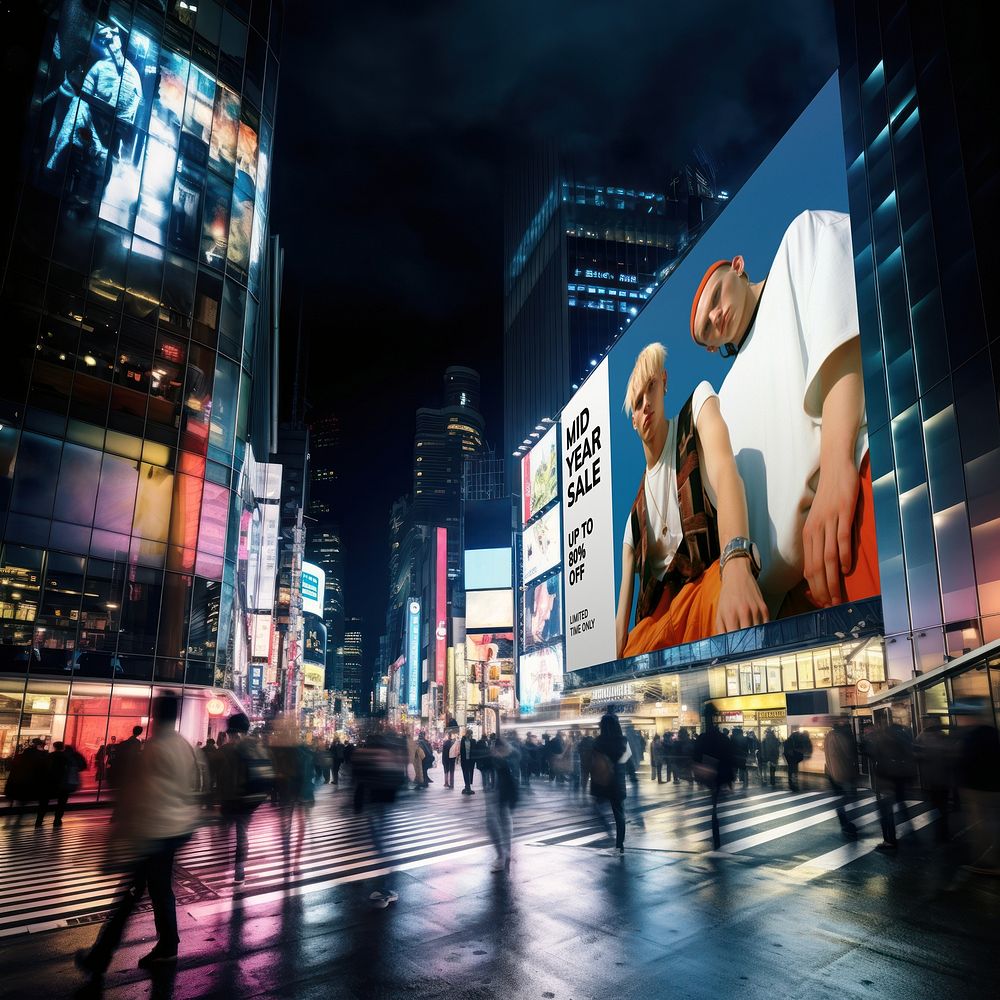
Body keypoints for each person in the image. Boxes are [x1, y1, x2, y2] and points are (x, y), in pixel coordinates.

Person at [689, 211, 879, 617]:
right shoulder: (724, 398)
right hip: (789, 604)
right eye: (707, 329)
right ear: (710, 348)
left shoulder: (797, 241)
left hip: (855, 515)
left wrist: (837, 466)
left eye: (717, 297)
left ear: (738, 266)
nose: (716, 317)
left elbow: (845, 323)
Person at [616, 343, 769, 659]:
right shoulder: (633, 520)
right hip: (657, 625)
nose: (646, 405)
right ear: (633, 420)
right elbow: (623, 613)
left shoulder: (697, 408)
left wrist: (737, 563)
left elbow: (726, 473)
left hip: (704, 590)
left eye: (651, 387)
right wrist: (614, 666)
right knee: (634, 650)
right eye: (637, 402)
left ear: (664, 381)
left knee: (726, 602)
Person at [75, 695, 199, 977]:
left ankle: (101, 956)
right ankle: (165, 946)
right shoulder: (183, 745)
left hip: (154, 831)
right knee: (157, 888)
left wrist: (116, 838)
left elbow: (138, 794)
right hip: (176, 828)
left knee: (130, 894)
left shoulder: (155, 747)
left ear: (155, 716)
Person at [217, 712, 273, 883]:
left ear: (232, 732)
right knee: (242, 835)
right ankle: (239, 871)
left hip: (230, 799)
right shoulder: (257, 747)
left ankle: (224, 866)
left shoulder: (226, 750)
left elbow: (218, 775)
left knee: (224, 833)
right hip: (248, 800)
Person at [864, 716, 915, 853]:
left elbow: (872, 754)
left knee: (885, 811)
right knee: (898, 804)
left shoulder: (884, 740)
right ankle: (910, 831)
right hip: (900, 778)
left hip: (886, 780)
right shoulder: (903, 737)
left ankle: (889, 840)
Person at [693, 706, 734, 850]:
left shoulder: (703, 738)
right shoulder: (722, 739)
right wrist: (730, 778)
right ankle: (716, 826)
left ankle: (714, 823)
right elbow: (729, 758)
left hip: (708, 774)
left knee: (714, 804)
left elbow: (696, 756)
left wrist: (698, 775)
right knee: (716, 804)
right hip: (720, 774)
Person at [590, 713, 630, 856]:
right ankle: (619, 845)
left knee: (597, 808)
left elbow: (593, 761)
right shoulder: (623, 740)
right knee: (619, 813)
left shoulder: (598, 742)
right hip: (617, 782)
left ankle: (608, 831)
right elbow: (627, 758)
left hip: (601, 781)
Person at [913, 716, 955, 843]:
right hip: (940, 776)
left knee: (937, 804)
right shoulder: (941, 736)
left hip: (932, 776)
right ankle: (943, 831)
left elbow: (916, 755)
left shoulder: (922, 737)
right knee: (941, 805)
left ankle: (941, 831)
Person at [486, 734, 520, 872]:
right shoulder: (501, 756)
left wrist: (500, 758)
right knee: (499, 821)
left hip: (505, 793)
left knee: (498, 821)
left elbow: (511, 774)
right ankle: (504, 853)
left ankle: (502, 854)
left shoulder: (510, 756)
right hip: (499, 793)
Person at [825, 719, 859, 839]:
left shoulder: (829, 735)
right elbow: (849, 753)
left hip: (832, 772)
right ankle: (847, 824)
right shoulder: (841, 736)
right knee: (849, 797)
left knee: (843, 797)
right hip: (844, 771)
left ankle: (845, 822)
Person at [41, 741, 86, 827]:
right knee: (61, 802)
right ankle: (57, 819)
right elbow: (81, 766)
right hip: (64, 782)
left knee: (45, 801)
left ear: (54, 747)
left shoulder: (50, 756)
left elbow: (44, 768)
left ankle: (40, 818)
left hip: (50, 781)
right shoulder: (67, 757)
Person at [459, 728, 477, 795]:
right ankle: (467, 787)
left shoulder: (473, 741)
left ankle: (467, 787)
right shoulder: (463, 740)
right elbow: (461, 750)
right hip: (464, 760)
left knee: (469, 773)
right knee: (465, 773)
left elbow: (474, 750)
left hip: (470, 760)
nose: (470, 735)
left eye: (471, 734)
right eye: (469, 734)